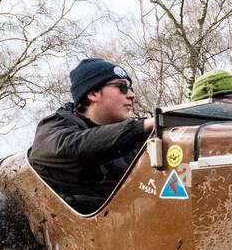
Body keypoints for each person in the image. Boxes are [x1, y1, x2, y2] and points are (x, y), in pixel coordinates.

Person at [30, 58, 154, 212]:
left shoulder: (131, 140)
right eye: (122, 87)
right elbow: (69, 147)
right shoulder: (54, 127)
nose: (131, 95)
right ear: (93, 93)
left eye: (131, 88)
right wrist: (143, 126)